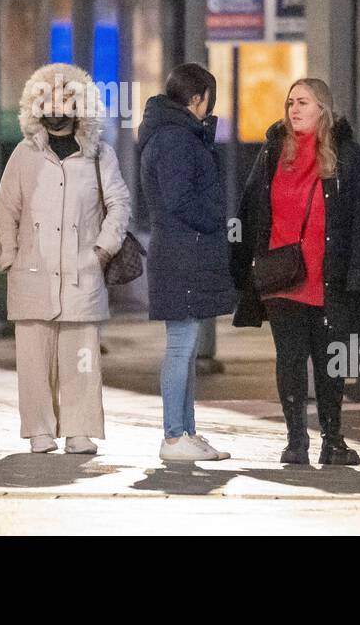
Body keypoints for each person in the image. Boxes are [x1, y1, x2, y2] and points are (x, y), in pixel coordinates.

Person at [231, 78, 360, 466]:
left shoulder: (348, 155)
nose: (295, 109)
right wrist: (244, 267)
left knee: (330, 361)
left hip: (330, 279)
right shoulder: (273, 152)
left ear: (323, 109)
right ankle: (296, 441)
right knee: (290, 358)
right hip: (282, 278)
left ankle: (332, 440)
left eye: (304, 102)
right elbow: (249, 209)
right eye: (291, 102)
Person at [0, 63, 131, 454]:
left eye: (67, 97)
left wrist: (104, 248)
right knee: (34, 360)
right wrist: (9, 257)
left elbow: (118, 203)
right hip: (31, 271)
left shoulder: (99, 154)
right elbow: (7, 209)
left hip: (83, 271)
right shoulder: (23, 154)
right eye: (49, 97)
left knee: (83, 358)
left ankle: (79, 430)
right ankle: (38, 430)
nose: (57, 106)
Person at [138, 63, 237, 462]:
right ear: (198, 99)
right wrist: (216, 219)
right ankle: (174, 435)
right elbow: (180, 199)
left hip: (180, 251)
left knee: (186, 345)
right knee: (180, 346)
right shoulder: (177, 139)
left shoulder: (168, 135)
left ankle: (187, 432)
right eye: (208, 100)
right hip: (183, 253)